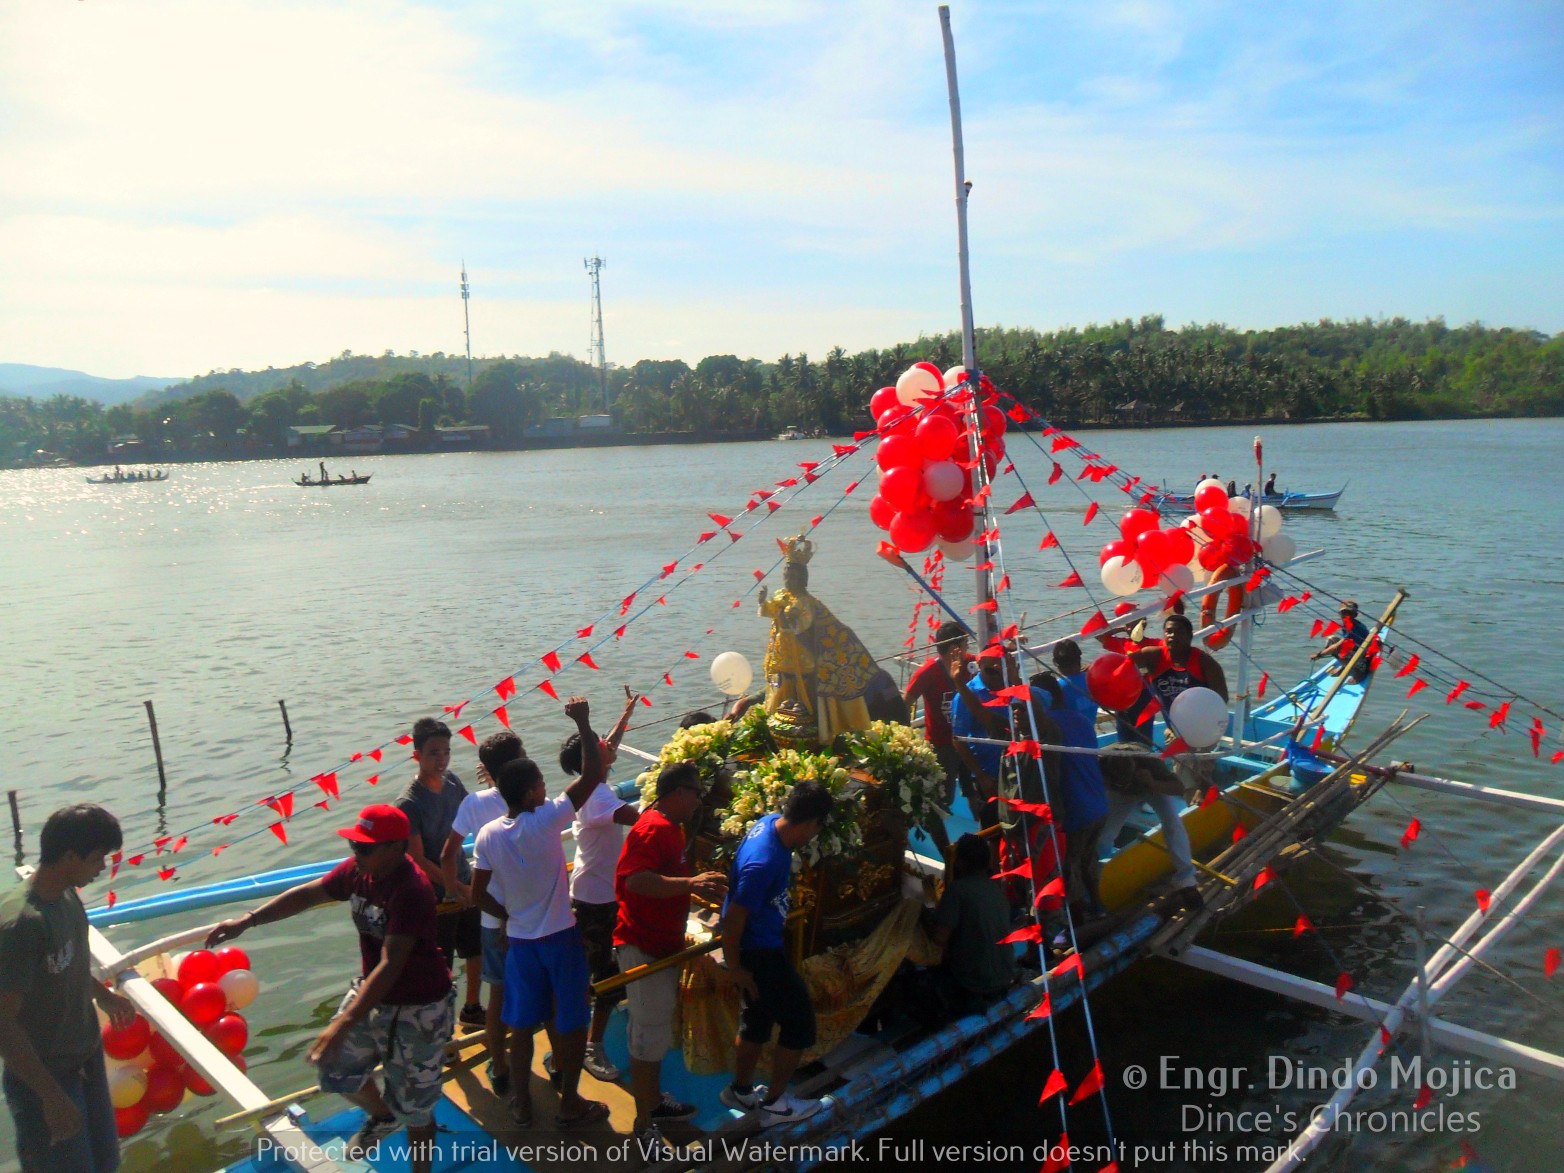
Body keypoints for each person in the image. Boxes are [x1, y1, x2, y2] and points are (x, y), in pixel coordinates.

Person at [207, 804, 453, 1171]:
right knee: (335, 1068)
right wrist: (249, 920)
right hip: (372, 994)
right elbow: (308, 894)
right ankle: (384, 1116)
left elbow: (391, 963)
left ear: (397, 848)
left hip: (419, 1007)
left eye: (366, 848)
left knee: (417, 1108)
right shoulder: (358, 872)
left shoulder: (412, 891)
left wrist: (343, 1022)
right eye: (355, 845)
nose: (357, 853)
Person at [472, 696, 609, 1130]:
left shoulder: (488, 834)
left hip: (521, 944)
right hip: (560, 940)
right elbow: (592, 774)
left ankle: (522, 1104)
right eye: (541, 783)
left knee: (521, 1026)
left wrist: (509, 916)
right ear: (531, 792)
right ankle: (570, 1103)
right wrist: (584, 722)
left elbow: (478, 894)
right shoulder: (548, 819)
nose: (546, 788)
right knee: (569, 1023)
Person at [1, 804, 133, 1173]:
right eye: (96, 859)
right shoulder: (21, 925)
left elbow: (68, 962)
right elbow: (3, 1022)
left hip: (85, 1060)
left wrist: (104, 995)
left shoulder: (68, 896)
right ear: (70, 856)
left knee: (106, 1164)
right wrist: (51, 1097)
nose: (102, 868)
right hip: (46, 1078)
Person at [614, 761, 728, 1154]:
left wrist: (692, 891)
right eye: (696, 792)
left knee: (655, 1035)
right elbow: (637, 881)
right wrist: (691, 883)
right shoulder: (653, 829)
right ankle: (643, 1127)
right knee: (646, 1039)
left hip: (662, 945)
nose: (698, 801)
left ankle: (655, 1103)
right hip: (643, 948)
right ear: (678, 792)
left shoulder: (669, 828)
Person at [718, 781, 835, 1126]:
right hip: (759, 953)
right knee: (800, 1024)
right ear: (810, 822)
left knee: (758, 1018)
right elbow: (734, 918)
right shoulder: (764, 862)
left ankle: (740, 1089)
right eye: (818, 826)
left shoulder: (768, 822)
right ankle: (774, 1104)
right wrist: (736, 967)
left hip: (763, 942)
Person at [560, 686, 641, 1084]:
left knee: (605, 969)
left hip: (605, 892)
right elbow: (641, 821)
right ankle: (591, 1046)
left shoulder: (595, 786)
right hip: (595, 900)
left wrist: (626, 714)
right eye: (602, 745)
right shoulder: (599, 799)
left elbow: (607, 745)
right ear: (592, 759)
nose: (611, 745)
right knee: (605, 977)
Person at [396, 718, 483, 1029]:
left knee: (477, 949)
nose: (442, 759)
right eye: (434, 753)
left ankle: (472, 1009)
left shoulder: (453, 783)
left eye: (446, 751)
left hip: (463, 877)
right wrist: (453, 887)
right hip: (435, 892)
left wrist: (492, 789)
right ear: (417, 755)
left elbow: (474, 816)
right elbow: (417, 857)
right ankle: (441, 1029)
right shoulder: (410, 802)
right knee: (441, 963)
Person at [452, 731, 525, 1095]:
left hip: (490, 916)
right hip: (528, 917)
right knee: (534, 994)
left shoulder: (473, 804)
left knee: (496, 996)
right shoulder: (532, 799)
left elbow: (449, 852)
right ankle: (552, 1062)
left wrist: (463, 892)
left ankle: (499, 1068)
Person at [757, 534, 879, 742]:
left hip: (802, 652)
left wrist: (787, 618)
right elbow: (771, 612)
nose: (789, 580)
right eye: (787, 576)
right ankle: (788, 706)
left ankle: (808, 712)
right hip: (783, 652)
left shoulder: (808, 602)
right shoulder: (782, 596)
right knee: (786, 680)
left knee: (803, 680)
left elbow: (802, 625)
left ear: (802, 578)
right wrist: (763, 603)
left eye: (793, 576)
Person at [1032, 675, 1109, 921]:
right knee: (1088, 859)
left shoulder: (1046, 727)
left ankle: (1077, 923)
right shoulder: (1081, 720)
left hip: (1077, 807)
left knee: (1070, 866)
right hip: (1098, 802)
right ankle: (1097, 907)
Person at [924, 833, 1017, 1013]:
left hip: (974, 983)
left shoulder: (957, 891)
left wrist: (924, 920)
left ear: (960, 862)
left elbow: (938, 939)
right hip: (1005, 976)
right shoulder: (995, 888)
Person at [904, 621, 977, 817]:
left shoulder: (971, 665)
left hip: (969, 740)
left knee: (977, 793)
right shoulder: (927, 672)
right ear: (954, 648)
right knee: (944, 798)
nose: (967, 648)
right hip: (942, 744)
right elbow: (906, 702)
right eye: (965, 644)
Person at [1312, 600, 1372, 681]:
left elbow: (1338, 646)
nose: (1346, 616)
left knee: (1338, 649)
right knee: (1331, 640)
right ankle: (1345, 666)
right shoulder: (1346, 625)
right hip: (1354, 650)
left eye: (1349, 613)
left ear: (1355, 615)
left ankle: (1360, 673)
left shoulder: (1355, 627)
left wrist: (1319, 655)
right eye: (1343, 613)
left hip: (1363, 658)